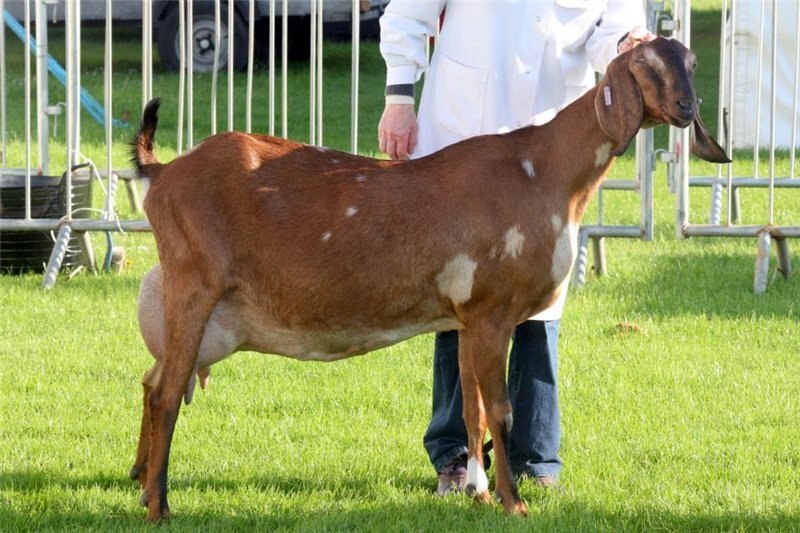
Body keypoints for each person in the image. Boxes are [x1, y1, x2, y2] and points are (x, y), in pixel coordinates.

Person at [377, 1, 655, 495]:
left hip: (553, 138)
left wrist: (628, 43)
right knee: (460, 294)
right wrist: (399, 97)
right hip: (467, 130)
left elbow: (608, 32)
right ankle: (456, 454)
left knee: (541, 299)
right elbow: (409, 13)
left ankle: (535, 456)